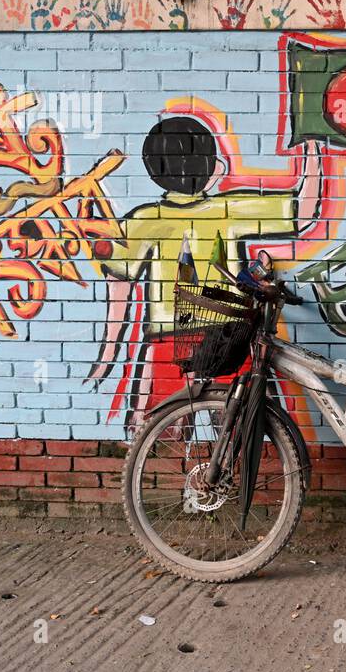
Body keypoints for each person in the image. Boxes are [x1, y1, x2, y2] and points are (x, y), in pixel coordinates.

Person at [86, 115, 316, 433]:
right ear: (209, 165)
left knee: (157, 430)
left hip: (168, 338)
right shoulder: (230, 210)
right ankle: (236, 476)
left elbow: (119, 284)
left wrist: (108, 351)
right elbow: (304, 210)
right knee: (240, 425)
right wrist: (315, 150)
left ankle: (162, 479)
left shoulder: (143, 219)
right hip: (228, 336)